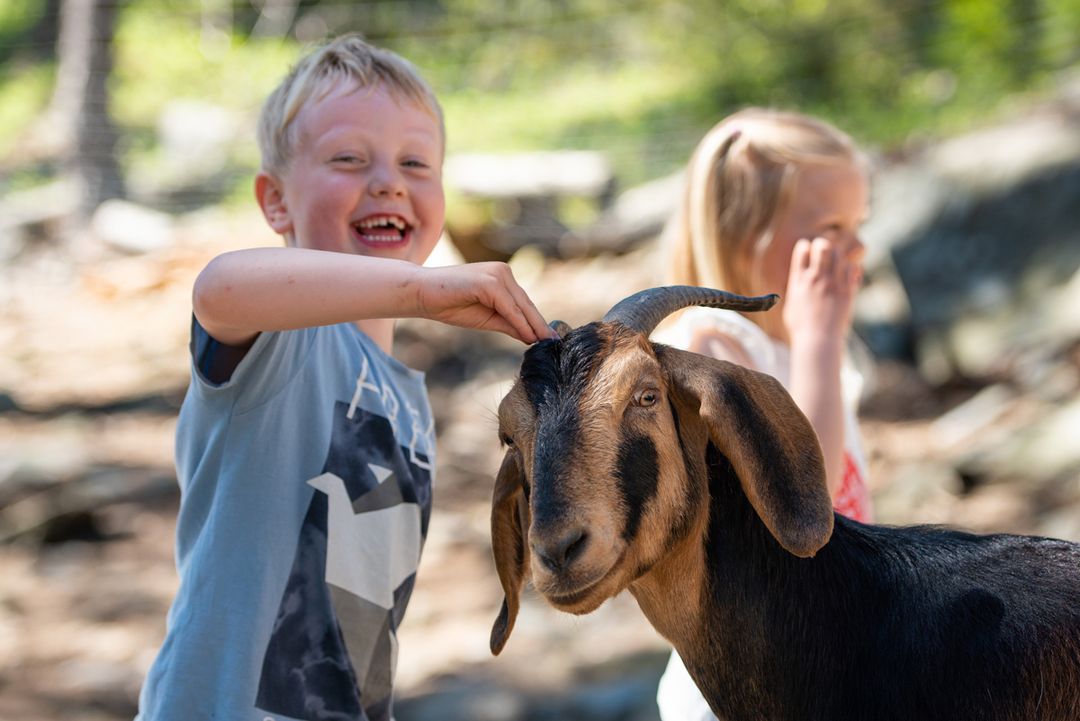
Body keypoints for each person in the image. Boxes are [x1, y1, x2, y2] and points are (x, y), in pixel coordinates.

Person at [135, 35, 554, 721]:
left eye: (415, 162)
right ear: (276, 203)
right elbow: (219, 289)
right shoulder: (281, 342)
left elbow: (364, 633)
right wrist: (418, 291)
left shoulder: (409, 403)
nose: (387, 181)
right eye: (348, 159)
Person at [652, 107, 873, 721]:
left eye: (860, 223)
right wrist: (819, 343)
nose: (856, 247)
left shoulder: (802, 345)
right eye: (832, 226)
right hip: (746, 680)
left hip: (818, 654)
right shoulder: (710, 346)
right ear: (744, 236)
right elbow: (806, 505)